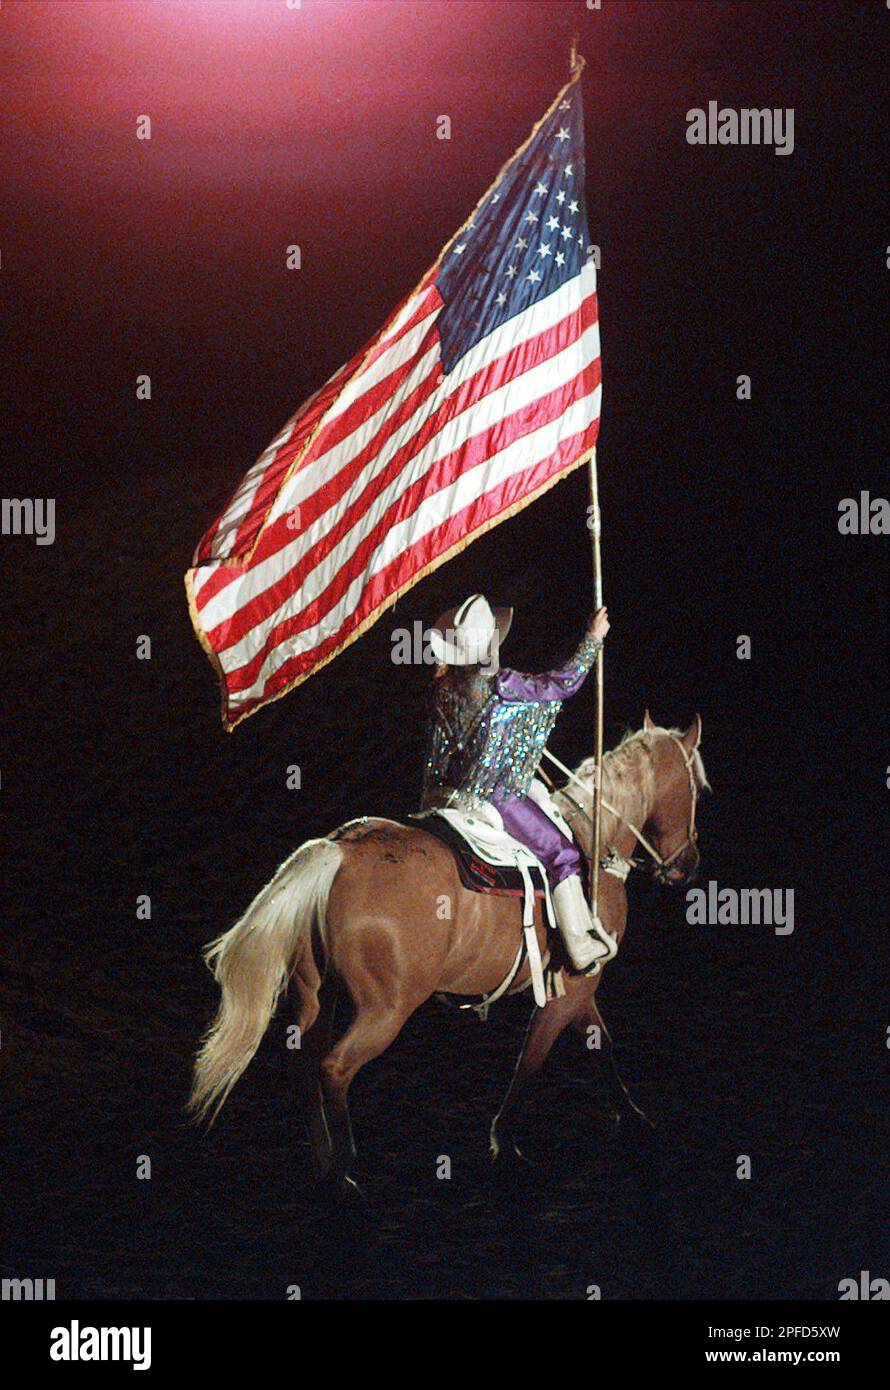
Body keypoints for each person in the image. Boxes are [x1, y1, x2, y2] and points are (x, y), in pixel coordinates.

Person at [422, 593, 611, 974]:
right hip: (491, 796)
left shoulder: (442, 688)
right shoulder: (501, 684)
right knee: (563, 853)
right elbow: (562, 685)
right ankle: (579, 947)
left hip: (443, 796)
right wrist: (592, 640)